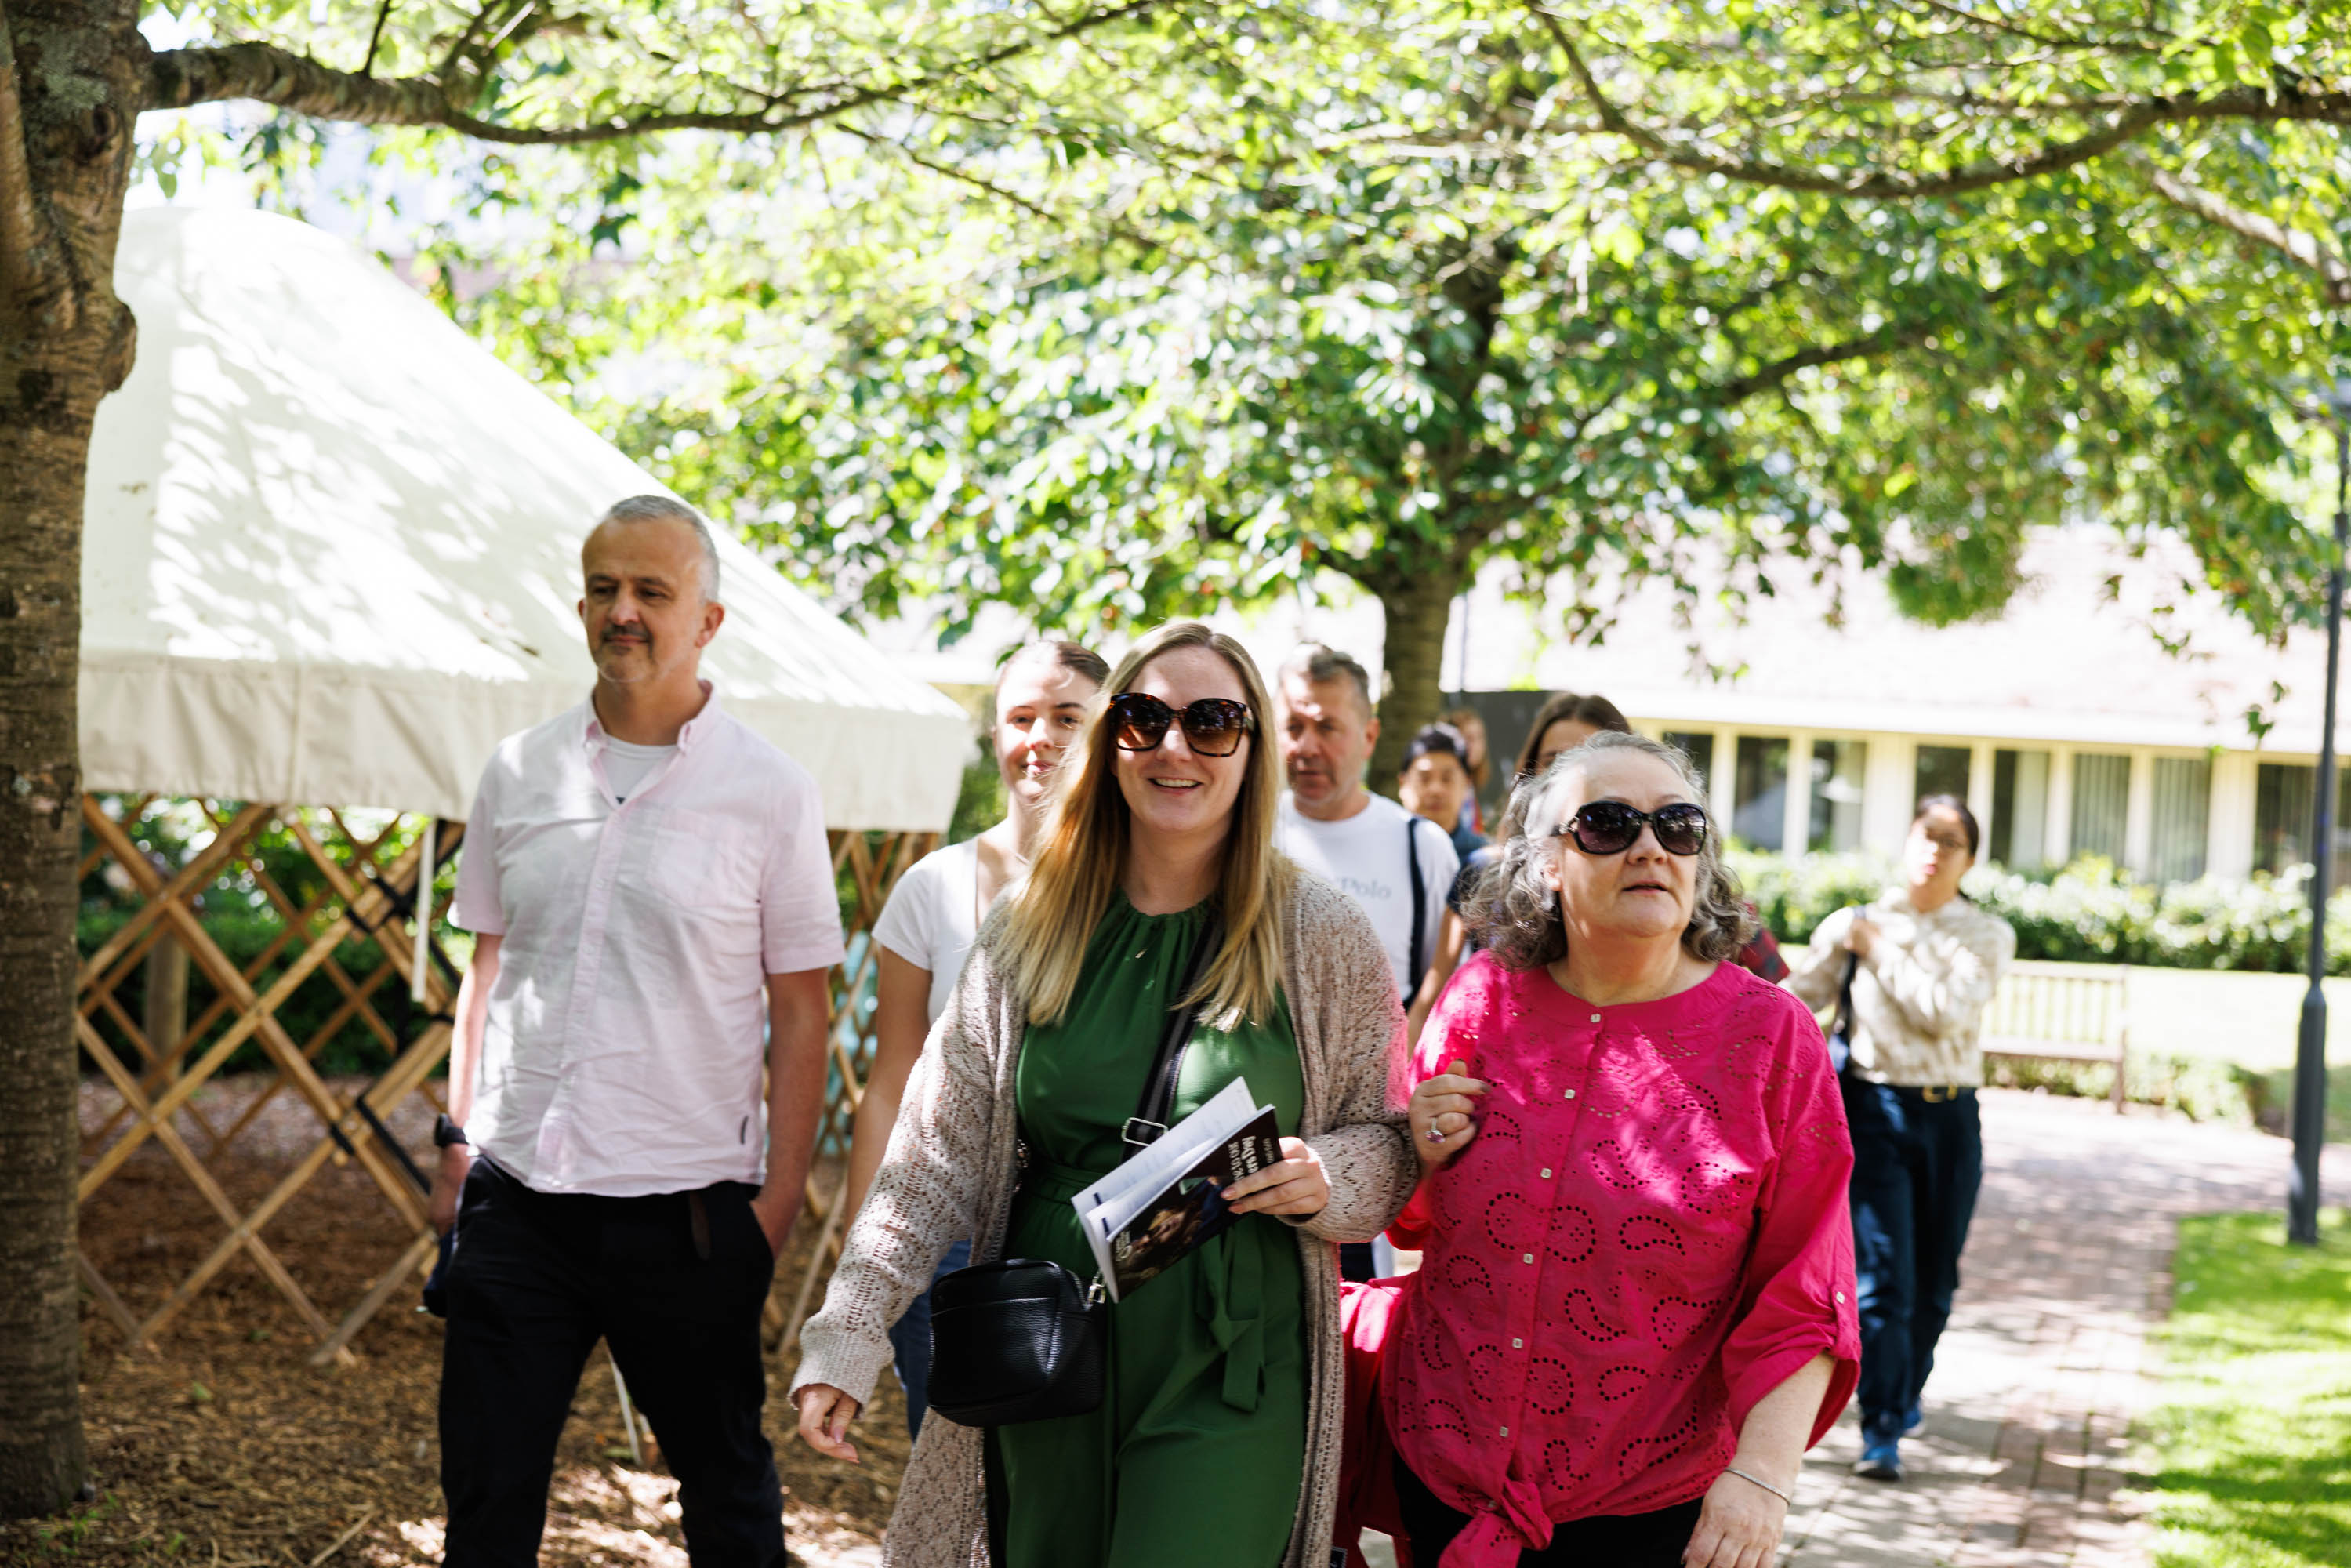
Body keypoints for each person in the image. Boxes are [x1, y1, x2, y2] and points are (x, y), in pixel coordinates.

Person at [791, 621, 1417, 1568]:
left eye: (1211, 722)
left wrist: (1331, 1175)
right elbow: (930, 1154)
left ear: (1251, 752)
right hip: (1053, 1324)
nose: (1173, 746)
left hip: (1229, 1336)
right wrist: (847, 1332)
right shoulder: (1030, 924)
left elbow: (1393, 1138)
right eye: (1142, 718)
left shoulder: (1318, 933)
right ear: (1110, 741)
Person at [432, 495, 844, 1568]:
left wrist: (781, 1198)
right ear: (580, 606)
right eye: (605, 589)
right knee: (486, 1497)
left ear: (705, 619)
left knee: (724, 1493)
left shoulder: (771, 792)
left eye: (652, 592)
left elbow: (804, 1010)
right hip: (516, 1198)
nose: (624, 611)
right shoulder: (516, 772)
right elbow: (487, 968)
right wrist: (456, 1142)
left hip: (689, 1214)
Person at [1388, 731, 1859, 1567]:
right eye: (1607, 823)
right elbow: (1416, 1224)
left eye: (1677, 825)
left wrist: (1763, 1471)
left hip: (1648, 1506)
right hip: (1441, 1475)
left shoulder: (1769, 1037)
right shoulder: (1479, 1000)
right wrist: (1416, 1147)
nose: (1649, 845)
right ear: (1544, 863)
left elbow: (1806, 1289)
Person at [853, 639, 1108, 1437]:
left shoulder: (1149, 892)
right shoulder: (929, 888)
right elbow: (890, 1080)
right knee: (947, 1473)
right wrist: (869, 1262)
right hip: (948, 1234)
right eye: (1020, 717)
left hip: (1092, 1230)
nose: (1041, 737)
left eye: (1068, 716)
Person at [1787, 794, 2015, 1483]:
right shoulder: (1854, 923)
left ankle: (1902, 1392)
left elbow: (1944, 1014)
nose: (1935, 850)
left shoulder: (1984, 934)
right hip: (1870, 1108)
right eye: (1926, 834)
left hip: (1949, 1116)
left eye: (1952, 841)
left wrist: (1878, 949)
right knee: (1883, 1277)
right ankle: (1881, 1426)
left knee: (1935, 1278)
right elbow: (1798, 1000)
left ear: (1969, 859)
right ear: (1907, 839)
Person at [1506, 692, 1792, 984]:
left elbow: (1778, 987)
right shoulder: (1494, 984)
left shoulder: (1705, 893)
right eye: (1557, 760)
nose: (1651, 850)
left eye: (1676, 823)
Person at [1272, 644, 1458, 1033]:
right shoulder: (1247, 832)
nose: (1306, 748)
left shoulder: (1421, 845)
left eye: (1326, 728)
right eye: (1293, 727)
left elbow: (1443, 986)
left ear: (1369, 737)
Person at [1399, 722, 1487, 866]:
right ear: (1403, 784)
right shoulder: (1380, 846)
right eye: (1424, 778)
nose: (1436, 790)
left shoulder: (1484, 860)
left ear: (1466, 785)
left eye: (1447, 779)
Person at [1440, 706, 1492, 838]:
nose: (1474, 745)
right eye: (1468, 738)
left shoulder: (1469, 782)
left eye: (1479, 738)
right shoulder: (1447, 784)